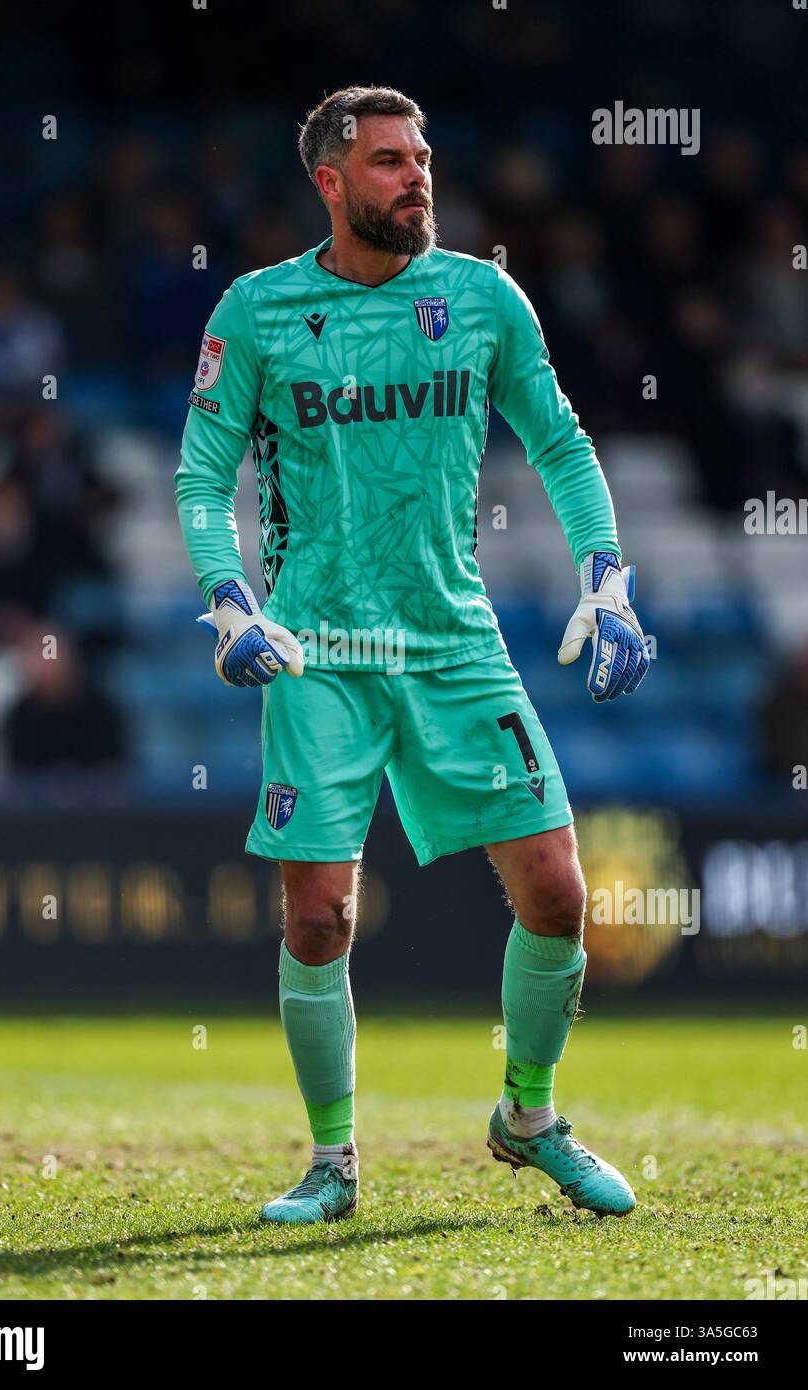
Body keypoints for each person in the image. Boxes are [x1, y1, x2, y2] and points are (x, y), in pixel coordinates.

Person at [175, 86, 650, 1225]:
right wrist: (233, 601)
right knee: (319, 918)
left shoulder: (484, 299)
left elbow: (563, 442)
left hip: (454, 640)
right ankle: (333, 1162)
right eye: (389, 160)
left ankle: (528, 1114)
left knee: (557, 893)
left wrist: (608, 573)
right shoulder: (257, 311)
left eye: (423, 155)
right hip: (317, 650)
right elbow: (200, 477)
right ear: (330, 183)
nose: (417, 175)